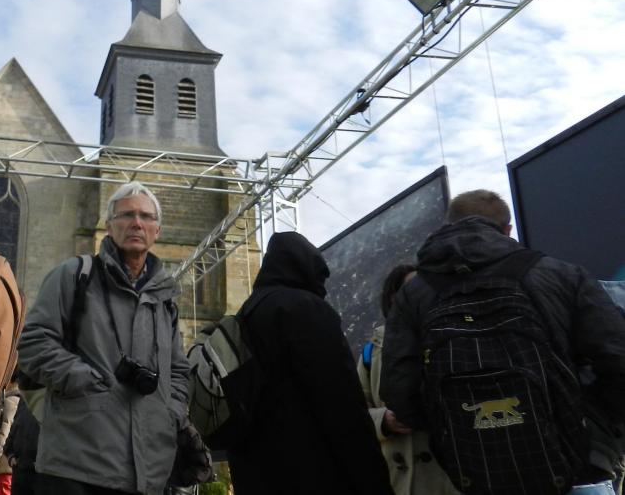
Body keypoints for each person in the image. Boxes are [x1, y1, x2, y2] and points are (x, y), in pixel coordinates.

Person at [382, 189, 625, 495]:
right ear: (507, 230)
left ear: (446, 226)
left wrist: (452, 432)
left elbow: (399, 393)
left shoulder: (413, 295)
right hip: (578, 466)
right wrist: (595, 424)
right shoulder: (558, 273)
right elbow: (618, 359)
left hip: (477, 472)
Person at [17, 181, 190, 495]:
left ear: (157, 230)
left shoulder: (165, 301)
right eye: (127, 215)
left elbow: (178, 370)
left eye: (146, 217)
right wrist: (86, 381)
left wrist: (171, 410)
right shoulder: (74, 276)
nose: (137, 223)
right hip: (77, 463)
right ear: (109, 227)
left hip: (148, 470)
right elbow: (33, 343)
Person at [225, 231, 393, 495]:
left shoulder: (244, 315)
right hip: (313, 471)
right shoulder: (305, 308)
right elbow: (342, 405)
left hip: (256, 475)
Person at [359, 264, 458, 495]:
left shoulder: (452, 336)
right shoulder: (371, 352)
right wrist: (383, 420)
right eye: (412, 288)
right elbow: (353, 410)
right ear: (394, 298)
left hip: (451, 475)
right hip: (401, 477)